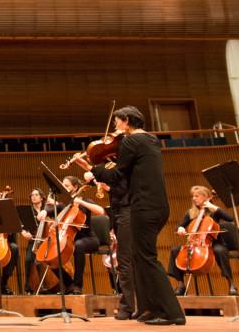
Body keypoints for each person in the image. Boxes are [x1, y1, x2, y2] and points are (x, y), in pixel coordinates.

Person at [74, 105, 185, 325]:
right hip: (159, 206)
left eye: (117, 122)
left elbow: (115, 175)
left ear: (126, 120)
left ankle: (173, 313)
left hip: (143, 206)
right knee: (138, 257)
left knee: (147, 258)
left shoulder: (131, 141)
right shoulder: (151, 139)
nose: (115, 127)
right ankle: (148, 308)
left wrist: (91, 169)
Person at [166, 185, 237, 296]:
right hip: (196, 244)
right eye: (193, 196)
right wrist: (180, 229)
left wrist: (214, 207)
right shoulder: (191, 213)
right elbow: (180, 226)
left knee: (219, 251)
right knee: (175, 250)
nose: (194, 198)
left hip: (215, 243)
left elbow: (230, 218)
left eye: (197, 196)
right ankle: (180, 285)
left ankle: (231, 283)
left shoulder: (214, 211)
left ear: (204, 197)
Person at [86, 169, 135, 320]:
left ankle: (130, 306)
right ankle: (129, 305)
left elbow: (123, 191)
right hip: (118, 215)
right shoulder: (114, 169)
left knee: (126, 260)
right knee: (125, 261)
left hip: (128, 214)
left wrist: (106, 186)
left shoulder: (123, 170)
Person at [46, 176, 104, 295]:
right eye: (63, 186)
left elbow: (101, 211)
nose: (64, 188)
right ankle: (69, 284)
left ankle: (78, 286)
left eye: (67, 186)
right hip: (70, 240)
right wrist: (43, 212)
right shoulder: (64, 204)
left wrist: (81, 202)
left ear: (75, 187)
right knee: (48, 254)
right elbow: (49, 211)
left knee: (79, 245)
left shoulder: (84, 200)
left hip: (88, 239)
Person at [20, 188, 45, 294]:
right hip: (33, 240)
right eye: (32, 195)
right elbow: (21, 225)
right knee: (28, 260)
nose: (34, 196)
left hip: (46, 241)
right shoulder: (28, 211)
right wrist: (24, 233)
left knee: (45, 262)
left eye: (36, 195)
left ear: (42, 198)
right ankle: (29, 288)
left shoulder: (47, 209)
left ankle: (47, 286)